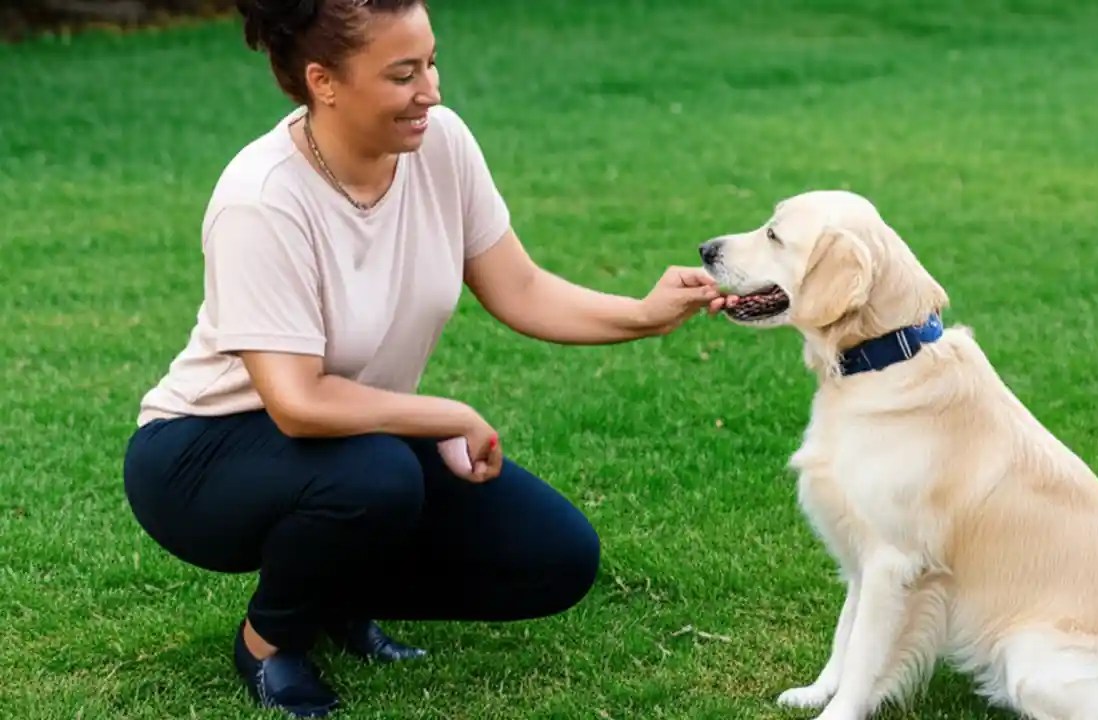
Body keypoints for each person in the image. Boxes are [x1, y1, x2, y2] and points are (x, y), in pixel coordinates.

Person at [121, 0, 736, 716]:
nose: (432, 91)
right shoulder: (261, 199)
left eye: (432, 63)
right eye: (403, 74)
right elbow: (297, 401)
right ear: (324, 81)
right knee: (378, 478)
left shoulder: (439, 144)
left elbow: (522, 287)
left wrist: (643, 313)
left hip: (350, 442)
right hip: (200, 456)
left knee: (555, 558)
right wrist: (441, 416)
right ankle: (270, 641)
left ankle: (332, 592)